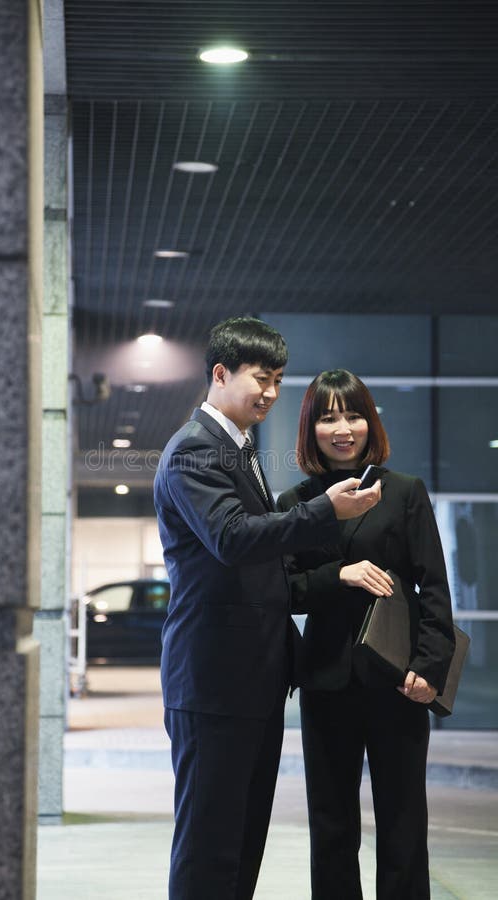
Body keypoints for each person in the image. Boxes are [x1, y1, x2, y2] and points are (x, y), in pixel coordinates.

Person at [153, 320, 381, 900]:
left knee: (243, 838)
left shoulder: (239, 447)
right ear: (221, 373)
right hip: (214, 684)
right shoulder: (194, 450)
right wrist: (325, 512)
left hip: (250, 680)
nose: (272, 393)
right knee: (210, 846)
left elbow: (266, 569)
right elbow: (232, 538)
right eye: (261, 378)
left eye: (279, 379)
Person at [277, 369, 455, 900]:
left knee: (403, 822)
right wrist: (340, 575)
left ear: (369, 422)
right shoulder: (297, 502)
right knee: (330, 823)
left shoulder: (403, 493)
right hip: (327, 680)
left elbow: (435, 587)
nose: (343, 428)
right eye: (328, 416)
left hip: (397, 679)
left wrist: (430, 667)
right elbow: (284, 590)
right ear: (310, 428)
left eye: (353, 414)